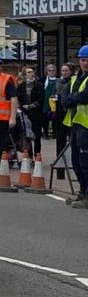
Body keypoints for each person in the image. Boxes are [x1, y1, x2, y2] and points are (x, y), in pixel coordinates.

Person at [61, 45, 88, 208]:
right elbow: (64, 95)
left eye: (87, 60)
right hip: (76, 124)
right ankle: (82, 191)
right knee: (76, 161)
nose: (85, 63)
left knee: (85, 162)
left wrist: (71, 98)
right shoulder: (76, 77)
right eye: (83, 59)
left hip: (86, 126)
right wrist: (71, 98)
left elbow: (84, 96)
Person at [18, 66, 44, 157]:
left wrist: (31, 106)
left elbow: (41, 99)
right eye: (28, 72)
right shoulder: (21, 86)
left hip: (36, 113)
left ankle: (37, 155)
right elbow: (18, 99)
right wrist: (22, 107)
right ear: (25, 75)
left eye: (32, 72)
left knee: (37, 136)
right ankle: (29, 156)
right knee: (27, 136)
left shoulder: (39, 85)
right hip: (25, 114)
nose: (31, 74)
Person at [42, 64, 58, 138]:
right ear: (46, 72)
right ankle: (45, 133)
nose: (51, 72)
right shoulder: (42, 81)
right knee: (45, 118)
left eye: (53, 70)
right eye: (49, 70)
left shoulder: (58, 80)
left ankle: (55, 133)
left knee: (55, 118)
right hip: (45, 102)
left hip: (55, 102)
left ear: (55, 72)